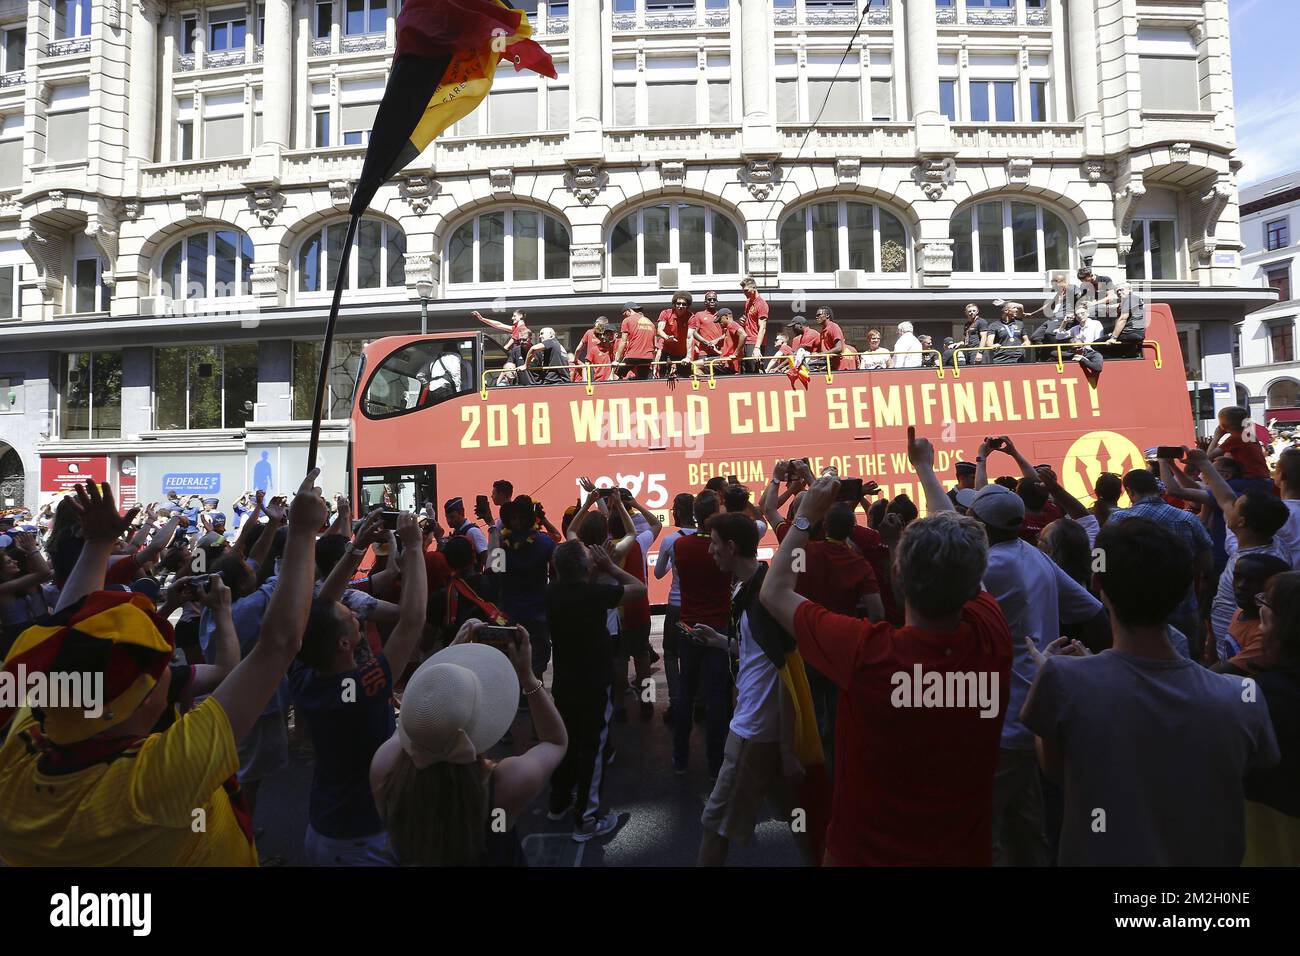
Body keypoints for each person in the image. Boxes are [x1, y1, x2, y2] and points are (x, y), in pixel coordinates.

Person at [0, 472, 324, 865]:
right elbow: (280, 645)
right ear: (137, 702)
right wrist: (305, 533)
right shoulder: (153, 778)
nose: (170, 671)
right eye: (162, 666)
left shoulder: (27, 738)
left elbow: (70, 632)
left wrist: (97, 544)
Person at [759, 432, 1014, 865]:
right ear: (975, 583)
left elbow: (774, 592)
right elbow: (964, 550)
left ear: (897, 575)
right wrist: (926, 470)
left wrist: (804, 516)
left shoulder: (867, 654)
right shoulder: (992, 634)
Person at [1021, 518, 1280, 865]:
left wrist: (1061, 675)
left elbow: (1058, 772)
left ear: (1097, 583)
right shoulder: (1243, 697)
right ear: (1186, 585)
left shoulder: (1062, 679)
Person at [965, 481, 1106, 867]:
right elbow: (1091, 610)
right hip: (1037, 710)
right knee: (1027, 825)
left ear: (979, 524)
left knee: (985, 827)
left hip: (1004, 718)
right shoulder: (1032, 554)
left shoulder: (988, 567)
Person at [290, 511, 427, 866]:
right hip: (364, 839)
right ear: (344, 644)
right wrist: (414, 546)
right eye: (350, 618)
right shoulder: (367, 686)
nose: (355, 615)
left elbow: (320, 608)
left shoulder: (305, 675)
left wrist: (357, 546)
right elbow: (412, 619)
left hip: (322, 829)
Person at [369, 622, 568, 865]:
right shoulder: (505, 787)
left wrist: (449, 654)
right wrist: (528, 677)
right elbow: (555, 741)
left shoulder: (383, 769)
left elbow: (419, 711)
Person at [695, 511, 820, 867]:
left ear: (731, 547)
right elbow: (758, 654)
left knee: (713, 826)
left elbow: (786, 674)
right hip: (764, 731)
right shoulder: (749, 589)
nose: (710, 552)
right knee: (801, 817)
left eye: (714, 544)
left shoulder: (764, 599)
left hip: (754, 733)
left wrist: (785, 749)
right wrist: (720, 641)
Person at [545, 540, 643, 841]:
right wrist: (610, 567)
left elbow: (575, 590)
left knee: (566, 744)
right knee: (593, 748)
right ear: (587, 567)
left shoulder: (549, 595)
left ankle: (558, 804)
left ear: (556, 569)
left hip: (563, 683)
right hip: (595, 683)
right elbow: (639, 589)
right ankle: (586, 821)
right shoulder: (597, 594)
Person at [1107, 468, 1215, 656]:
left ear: (1130, 491)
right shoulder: (1188, 519)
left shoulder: (1118, 519)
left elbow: (1100, 553)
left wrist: (1096, 571)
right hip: (1183, 607)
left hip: (1136, 613)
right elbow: (1208, 567)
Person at [672, 491, 735, 777]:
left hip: (688, 626)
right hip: (718, 627)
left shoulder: (680, 545)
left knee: (686, 693)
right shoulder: (723, 548)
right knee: (716, 697)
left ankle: (680, 759)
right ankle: (715, 763)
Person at [488, 496, 557, 682]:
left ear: (528, 519)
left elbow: (493, 572)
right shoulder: (544, 543)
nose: (516, 522)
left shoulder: (503, 544)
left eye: (520, 517)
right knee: (530, 669)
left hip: (522, 615)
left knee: (528, 668)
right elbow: (494, 572)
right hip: (520, 615)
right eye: (513, 518)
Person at [654, 493, 698, 726]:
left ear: (678, 512)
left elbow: (659, 573)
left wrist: (674, 559)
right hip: (697, 605)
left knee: (671, 654)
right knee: (696, 653)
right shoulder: (708, 537)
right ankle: (699, 701)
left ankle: (676, 702)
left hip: (676, 605)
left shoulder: (671, 541)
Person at [1209, 405, 1272, 482]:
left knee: (1214, 489)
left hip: (1253, 481)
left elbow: (1208, 456)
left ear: (1223, 425)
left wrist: (1217, 437)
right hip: (1263, 478)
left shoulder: (1236, 438)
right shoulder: (1249, 435)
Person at [613, 301, 658, 380]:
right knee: (642, 379)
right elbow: (655, 343)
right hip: (648, 357)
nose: (625, 316)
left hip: (633, 355)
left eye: (625, 314)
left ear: (629, 310)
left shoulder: (627, 320)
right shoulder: (650, 322)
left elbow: (623, 341)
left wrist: (616, 360)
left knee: (617, 373)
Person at [443, 497, 488, 568]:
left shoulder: (472, 531)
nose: (448, 521)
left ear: (461, 512)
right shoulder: (457, 531)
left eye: (452, 517)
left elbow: (485, 555)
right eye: (447, 517)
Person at [1105, 282, 1148, 357]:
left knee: (1097, 344)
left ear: (1129, 290)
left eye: (1121, 290)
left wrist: (1113, 338)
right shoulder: (1127, 301)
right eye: (1117, 291)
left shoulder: (1131, 298)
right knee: (1107, 331)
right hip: (1131, 332)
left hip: (1131, 332)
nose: (1118, 292)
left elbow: (1123, 319)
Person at [655, 292, 693, 377]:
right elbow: (659, 330)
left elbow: (689, 336)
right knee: (662, 376)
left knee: (685, 377)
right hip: (667, 351)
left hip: (682, 353)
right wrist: (667, 337)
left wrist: (688, 356)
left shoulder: (691, 317)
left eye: (684, 304)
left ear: (688, 306)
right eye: (678, 303)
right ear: (674, 304)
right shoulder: (666, 313)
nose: (680, 306)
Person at [575, 317, 617, 382]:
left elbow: (579, 348)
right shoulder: (590, 333)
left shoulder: (611, 345)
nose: (602, 337)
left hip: (602, 367)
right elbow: (579, 349)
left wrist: (575, 360)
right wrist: (575, 360)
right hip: (593, 365)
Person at [740, 276, 769, 373]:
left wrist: (757, 348)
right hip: (746, 340)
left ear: (754, 288)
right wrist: (743, 321)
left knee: (754, 370)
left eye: (746, 290)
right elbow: (749, 319)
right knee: (745, 369)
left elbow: (763, 328)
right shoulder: (748, 302)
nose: (744, 293)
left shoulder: (761, 304)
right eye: (743, 291)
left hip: (755, 341)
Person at [689, 292, 726, 362]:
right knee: (701, 371)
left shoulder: (722, 315)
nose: (712, 301)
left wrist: (717, 340)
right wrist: (706, 342)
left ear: (717, 302)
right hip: (704, 353)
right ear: (705, 302)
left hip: (720, 351)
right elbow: (694, 332)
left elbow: (727, 333)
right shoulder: (699, 315)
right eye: (709, 299)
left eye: (714, 299)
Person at [716, 309, 746, 374]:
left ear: (726, 317)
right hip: (726, 362)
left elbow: (743, 335)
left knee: (698, 365)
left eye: (720, 320)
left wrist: (736, 354)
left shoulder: (732, 325)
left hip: (731, 364)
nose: (719, 323)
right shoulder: (728, 328)